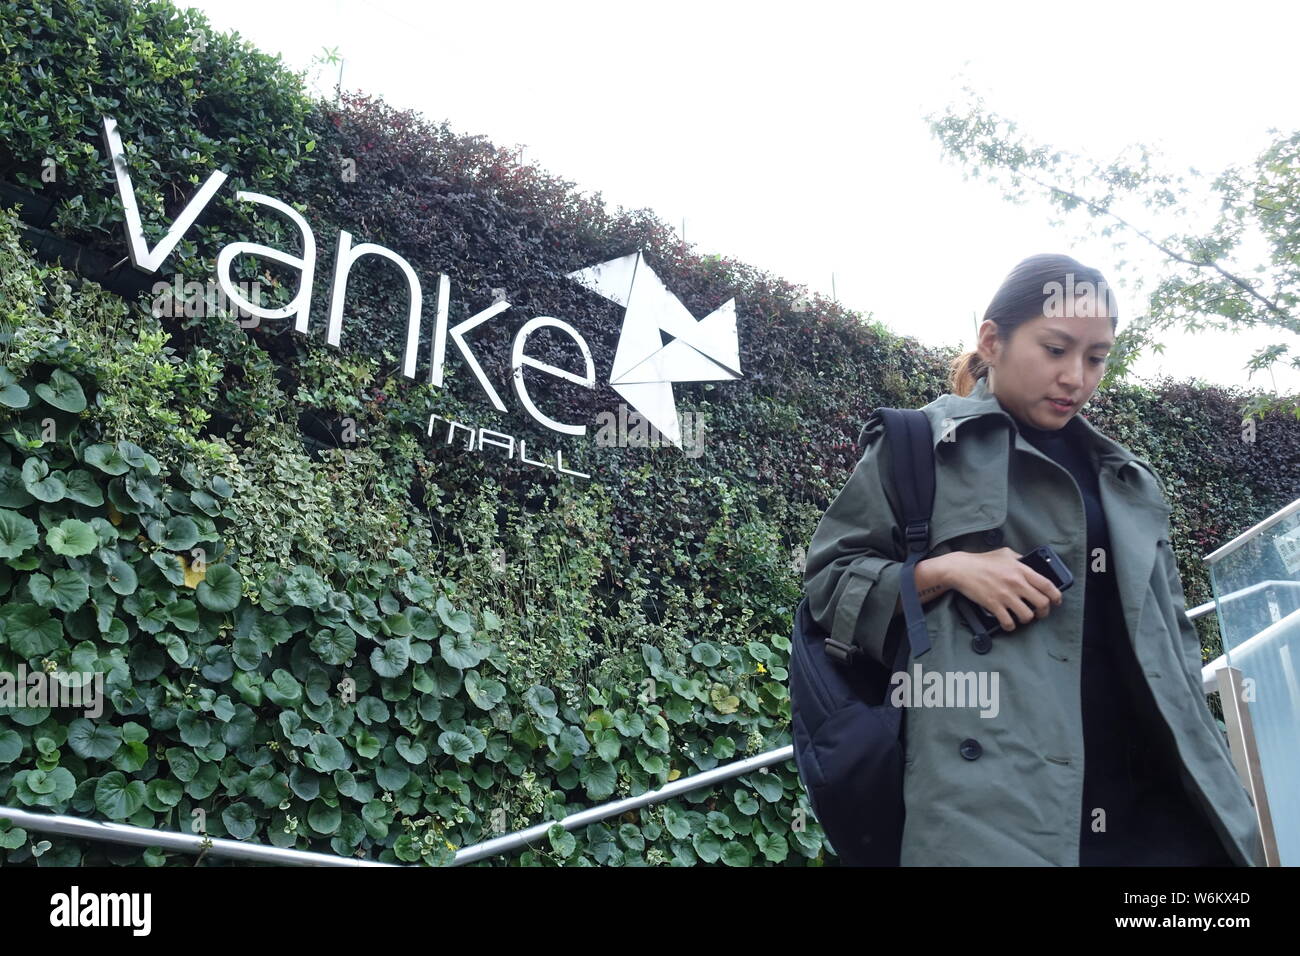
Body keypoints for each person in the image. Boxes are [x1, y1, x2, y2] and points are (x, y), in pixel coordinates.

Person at [802, 253, 1265, 866]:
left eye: (1097, 357)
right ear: (992, 341)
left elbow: (1174, 642)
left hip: (1159, 805)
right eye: (1055, 349)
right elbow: (829, 587)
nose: (1076, 376)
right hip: (999, 807)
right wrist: (942, 572)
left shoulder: (1127, 478)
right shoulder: (919, 446)